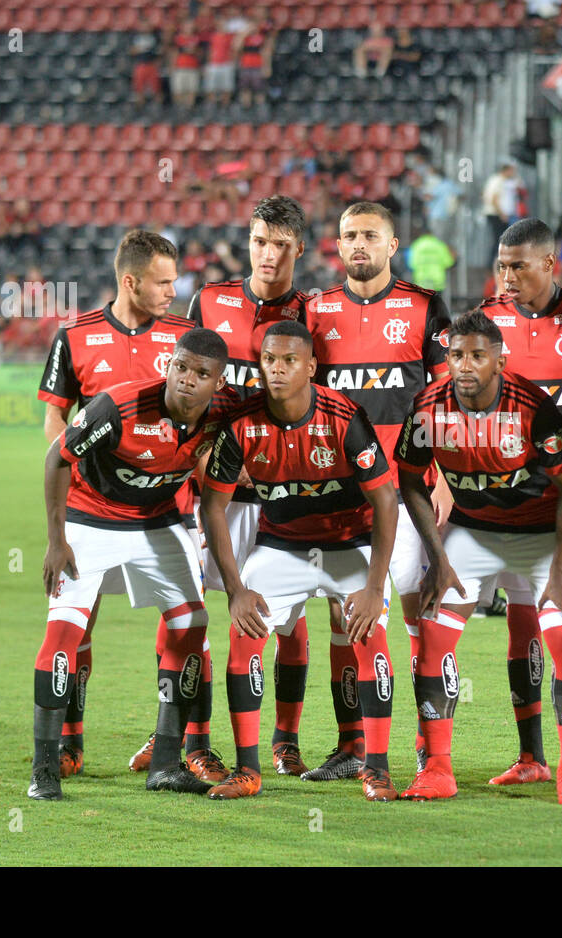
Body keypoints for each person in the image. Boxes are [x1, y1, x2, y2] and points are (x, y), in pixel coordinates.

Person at [37, 230, 222, 783]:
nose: (175, 290)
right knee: (79, 621)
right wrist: (60, 515)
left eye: (176, 280)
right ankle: (67, 743)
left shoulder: (187, 338)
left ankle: (185, 748)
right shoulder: (76, 337)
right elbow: (56, 426)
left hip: (169, 511)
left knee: (190, 625)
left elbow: (211, 427)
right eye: (164, 282)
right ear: (130, 281)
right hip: (90, 508)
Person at [200, 321, 400, 800]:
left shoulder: (342, 415)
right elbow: (212, 506)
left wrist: (374, 588)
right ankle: (248, 770)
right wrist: (235, 589)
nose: (277, 369)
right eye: (270, 359)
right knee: (244, 628)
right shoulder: (243, 424)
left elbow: (387, 501)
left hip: (349, 544)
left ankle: (377, 767)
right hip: (281, 545)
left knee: (368, 630)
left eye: (289, 360)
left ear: (311, 366)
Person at [395, 310, 562, 802]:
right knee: (433, 633)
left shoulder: (534, 406)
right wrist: (438, 559)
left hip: (541, 531)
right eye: (457, 354)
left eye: (477, 356)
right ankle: (437, 768)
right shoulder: (427, 407)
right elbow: (411, 482)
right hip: (474, 530)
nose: (465, 365)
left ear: (499, 360)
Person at [304, 201, 452, 782]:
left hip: (411, 490)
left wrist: (442, 479)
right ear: (337, 245)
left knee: (423, 619)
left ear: (393, 245)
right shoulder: (315, 310)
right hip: (341, 493)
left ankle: (427, 747)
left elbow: (446, 395)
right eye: (348, 235)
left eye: (370, 235)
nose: (358, 244)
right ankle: (355, 745)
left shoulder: (423, 307)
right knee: (349, 620)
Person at [185, 195, 315, 778]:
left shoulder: (314, 313)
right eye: (260, 241)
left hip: (279, 492)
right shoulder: (209, 302)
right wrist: (203, 451)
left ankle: (284, 740)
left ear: (299, 250)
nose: (268, 254)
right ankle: (187, 736)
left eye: (280, 245)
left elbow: (319, 401)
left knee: (285, 619)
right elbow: (185, 387)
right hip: (212, 492)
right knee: (190, 614)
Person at [479, 217, 562, 790]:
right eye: (501, 265)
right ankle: (532, 755)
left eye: (518, 266)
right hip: (511, 496)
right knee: (521, 617)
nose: (506, 277)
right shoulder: (487, 321)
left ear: (549, 265)